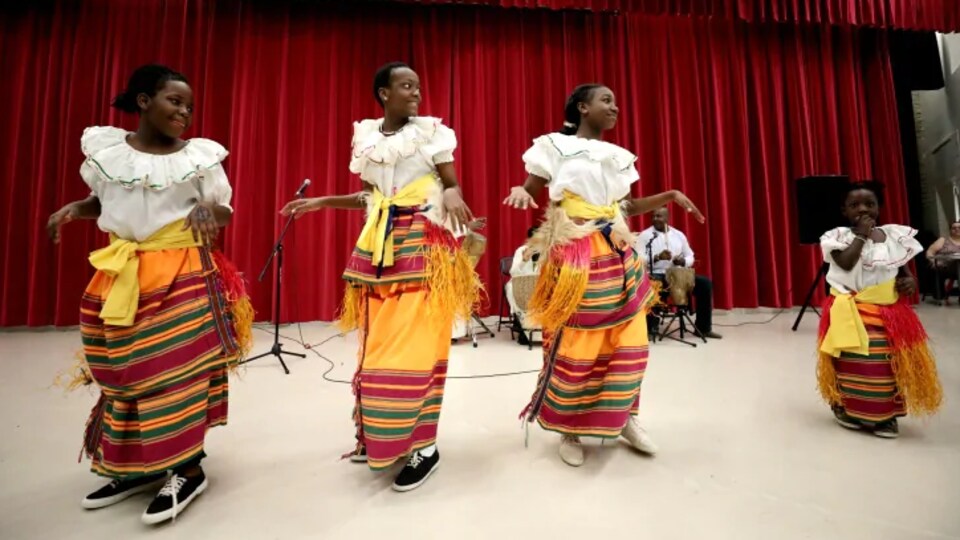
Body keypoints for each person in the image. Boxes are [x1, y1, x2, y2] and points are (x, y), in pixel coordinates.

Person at [45, 64, 251, 524]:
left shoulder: (198, 158)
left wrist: (207, 210)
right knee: (123, 372)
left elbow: (224, 212)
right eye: (174, 101)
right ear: (143, 101)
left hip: (180, 275)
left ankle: (186, 467)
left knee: (173, 372)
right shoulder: (109, 152)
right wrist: (77, 208)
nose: (185, 112)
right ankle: (137, 464)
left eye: (190, 107)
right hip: (121, 275)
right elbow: (108, 201)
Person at [281, 62, 479, 491]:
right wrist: (322, 203)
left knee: (414, 349)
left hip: (424, 249)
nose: (416, 94)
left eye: (419, 86)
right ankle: (383, 434)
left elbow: (450, 185)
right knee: (375, 351)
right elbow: (372, 197)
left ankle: (424, 445)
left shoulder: (432, 134)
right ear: (383, 93)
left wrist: (451, 192)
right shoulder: (368, 137)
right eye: (406, 86)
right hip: (379, 253)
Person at [503, 83, 704, 467]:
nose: (614, 107)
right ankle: (571, 427)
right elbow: (529, 188)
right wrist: (520, 191)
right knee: (578, 340)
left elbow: (624, 205)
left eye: (615, 102)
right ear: (583, 107)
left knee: (629, 339)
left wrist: (670, 195)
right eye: (605, 101)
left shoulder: (618, 156)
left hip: (618, 250)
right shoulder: (553, 146)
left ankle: (624, 416)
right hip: (577, 251)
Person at [817, 181, 942, 438]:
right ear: (844, 210)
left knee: (885, 364)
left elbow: (903, 272)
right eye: (854, 205)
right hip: (850, 310)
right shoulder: (837, 237)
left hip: (886, 313)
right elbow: (848, 263)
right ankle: (849, 408)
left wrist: (909, 282)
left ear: (879, 207)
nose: (863, 209)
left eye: (870, 204)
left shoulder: (894, 235)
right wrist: (861, 235)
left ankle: (885, 416)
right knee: (852, 362)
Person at [636, 207, 722, 339]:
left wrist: (682, 261)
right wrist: (657, 257)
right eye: (653, 216)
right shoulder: (645, 235)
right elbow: (638, 259)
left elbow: (690, 257)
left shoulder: (678, 235)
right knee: (652, 284)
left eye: (659, 216)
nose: (655, 219)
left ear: (667, 218)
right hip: (657, 274)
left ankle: (703, 328)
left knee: (705, 284)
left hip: (678, 274)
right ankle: (651, 328)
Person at [506, 226, 541, 345]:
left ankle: (541, 331)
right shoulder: (521, 251)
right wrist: (524, 260)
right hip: (521, 284)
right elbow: (513, 273)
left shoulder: (548, 250)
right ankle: (523, 328)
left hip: (540, 285)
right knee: (511, 289)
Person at [925, 220, 960, 301]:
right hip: (944, 267)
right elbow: (929, 252)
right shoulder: (943, 240)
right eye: (954, 228)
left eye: (959, 228)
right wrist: (933, 262)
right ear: (950, 230)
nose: (957, 229)